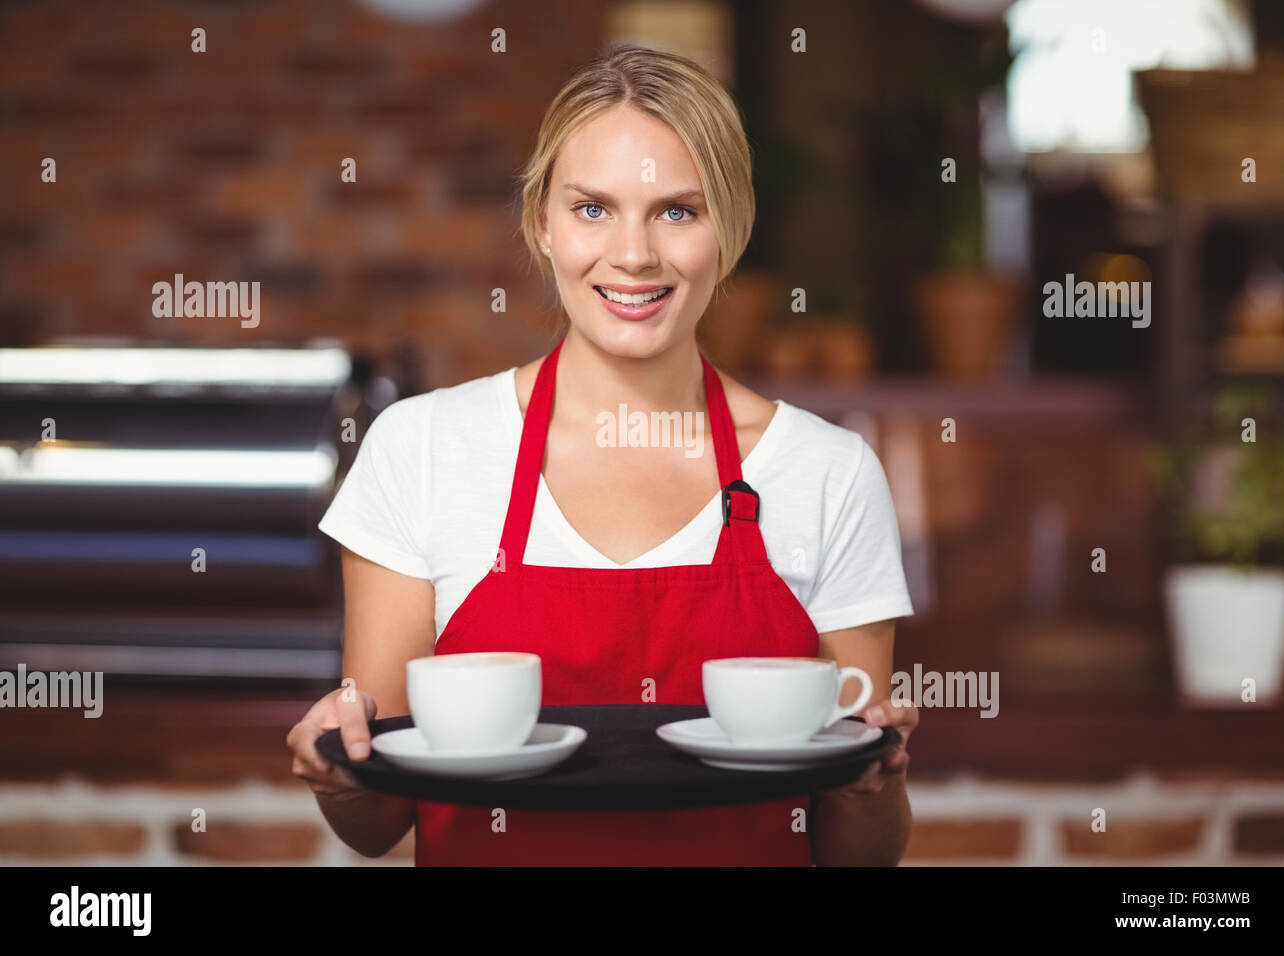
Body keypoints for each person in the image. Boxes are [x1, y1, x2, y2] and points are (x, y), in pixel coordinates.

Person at [287, 44, 917, 866]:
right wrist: (337, 772)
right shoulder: (422, 449)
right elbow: (380, 823)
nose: (633, 254)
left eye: (677, 211)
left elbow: (856, 854)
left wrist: (869, 779)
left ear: (730, 230)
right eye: (592, 209)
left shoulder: (829, 473)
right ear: (539, 225)